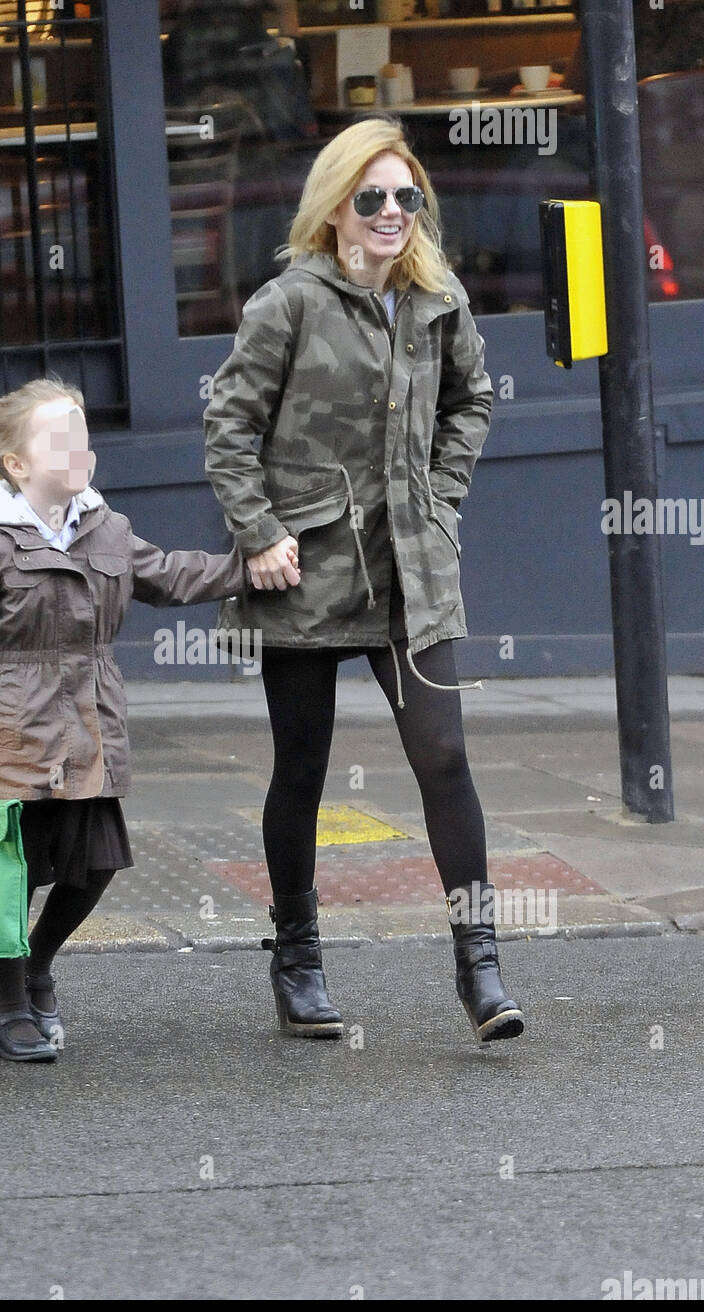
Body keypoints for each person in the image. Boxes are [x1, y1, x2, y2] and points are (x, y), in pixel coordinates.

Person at [203, 117, 524, 1046]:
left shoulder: (437, 298)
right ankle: (297, 963)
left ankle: (481, 964)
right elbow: (228, 429)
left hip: (410, 574)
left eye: (406, 197)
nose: (391, 213)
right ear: (336, 208)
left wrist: (442, 498)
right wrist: (259, 533)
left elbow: (474, 401)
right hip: (304, 569)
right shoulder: (288, 303)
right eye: (372, 197)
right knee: (301, 769)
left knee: (445, 757)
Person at [0, 376, 246, 1062]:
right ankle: (8, 1011)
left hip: (89, 733)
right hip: (10, 742)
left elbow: (172, 575)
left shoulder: (105, 527)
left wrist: (253, 567)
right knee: (8, 879)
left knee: (93, 867)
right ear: (17, 463)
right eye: (58, 438)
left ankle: (38, 966)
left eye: (82, 436)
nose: (78, 448)